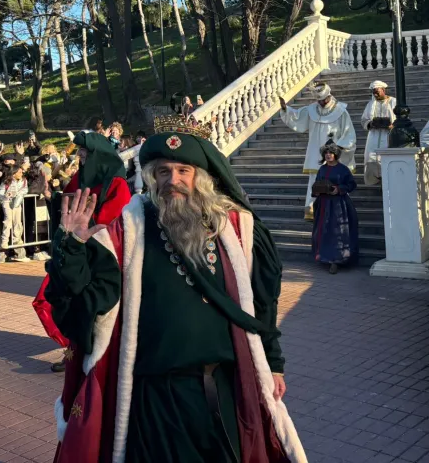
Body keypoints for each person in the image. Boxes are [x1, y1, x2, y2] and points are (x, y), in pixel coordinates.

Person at [45, 115, 306, 463]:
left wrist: (273, 363)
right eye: (164, 172)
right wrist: (73, 247)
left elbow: (262, 303)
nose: (173, 181)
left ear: (202, 177)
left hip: (223, 388)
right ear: (153, 177)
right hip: (156, 395)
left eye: (184, 171)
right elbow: (90, 301)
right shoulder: (128, 230)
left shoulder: (237, 229)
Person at [33, 131, 131, 371]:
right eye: (80, 153)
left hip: (99, 257)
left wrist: (84, 228)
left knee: (93, 307)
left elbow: (113, 223)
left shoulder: (116, 184)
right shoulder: (80, 177)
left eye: (85, 153)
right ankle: (71, 346)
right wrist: (51, 197)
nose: (80, 157)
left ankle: (81, 350)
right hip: (73, 252)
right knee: (48, 299)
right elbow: (67, 205)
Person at [278, 82, 357, 220]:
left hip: (334, 152)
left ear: (329, 96)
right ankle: (313, 209)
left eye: (323, 100)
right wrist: (286, 109)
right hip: (316, 151)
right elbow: (297, 117)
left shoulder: (341, 111)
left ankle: (339, 210)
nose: (320, 102)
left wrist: (340, 146)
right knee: (315, 179)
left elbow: (349, 132)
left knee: (336, 178)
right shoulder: (312, 109)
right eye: (318, 100)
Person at [311, 140, 359, 274]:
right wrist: (317, 190)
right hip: (323, 204)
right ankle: (324, 256)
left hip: (339, 206)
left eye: (331, 152)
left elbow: (352, 185)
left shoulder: (343, 169)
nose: (328, 155)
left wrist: (338, 189)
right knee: (324, 231)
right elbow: (316, 184)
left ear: (336, 154)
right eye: (326, 152)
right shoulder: (322, 169)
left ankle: (336, 260)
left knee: (337, 232)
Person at [361, 80, 397, 186]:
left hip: (388, 136)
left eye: (377, 91)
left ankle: (389, 181)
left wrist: (392, 125)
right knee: (371, 157)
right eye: (374, 92)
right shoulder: (370, 104)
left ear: (383, 90)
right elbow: (364, 120)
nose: (375, 94)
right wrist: (371, 124)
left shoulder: (393, 102)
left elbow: (400, 118)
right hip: (373, 136)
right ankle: (374, 181)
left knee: (386, 158)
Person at [0, 165, 29, 263]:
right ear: (13, 173)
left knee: (18, 224)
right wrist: (6, 196)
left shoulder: (24, 180)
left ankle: (18, 249)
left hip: (17, 203)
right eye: (19, 172)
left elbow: (25, 189)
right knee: (8, 222)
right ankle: (4, 246)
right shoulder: (7, 182)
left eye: (21, 172)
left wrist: (19, 194)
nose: (21, 173)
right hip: (7, 202)